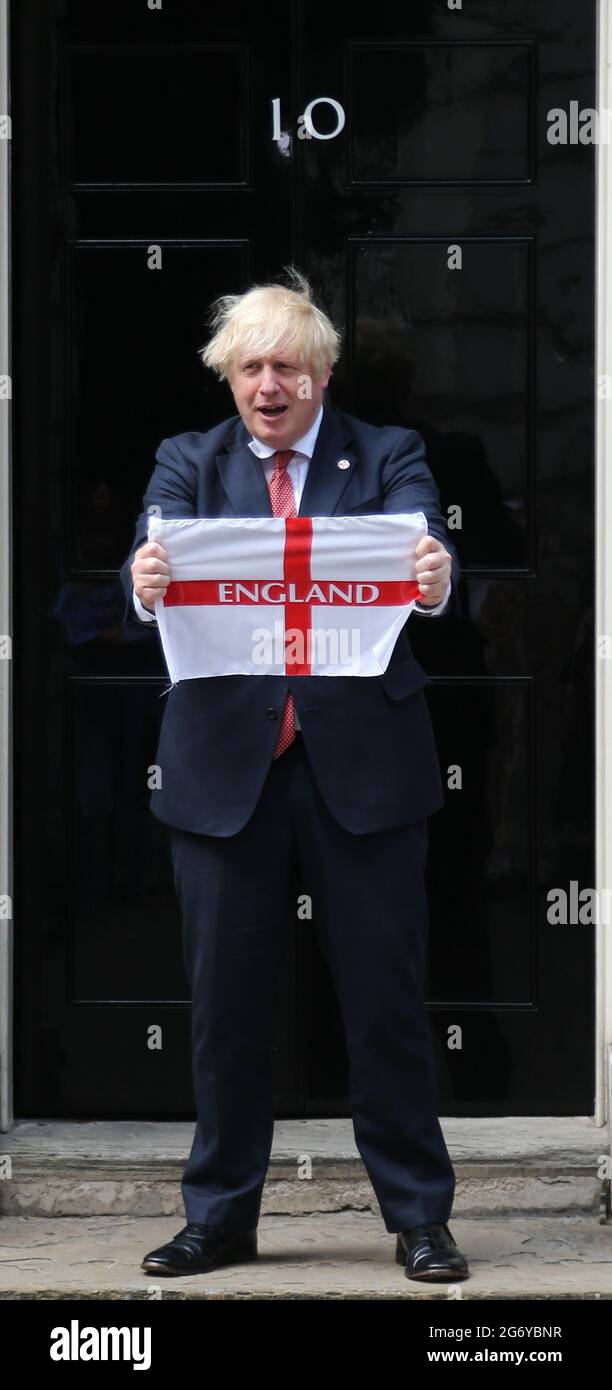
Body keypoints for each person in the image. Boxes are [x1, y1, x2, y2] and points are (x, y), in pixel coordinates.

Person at [119, 269, 469, 1283]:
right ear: (228, 377)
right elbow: (149, 564)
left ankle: (419, 1218)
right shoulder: (186, 460)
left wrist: (434, 574)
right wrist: (143, 584)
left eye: (286, 366)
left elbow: (424, 544)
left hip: (362, 771)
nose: (267, 385)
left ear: (320, 373)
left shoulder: (389, 453)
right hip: (225, 773)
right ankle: (219, 1219)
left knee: (386, 1007)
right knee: (225, 1012)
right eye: (249, 367)